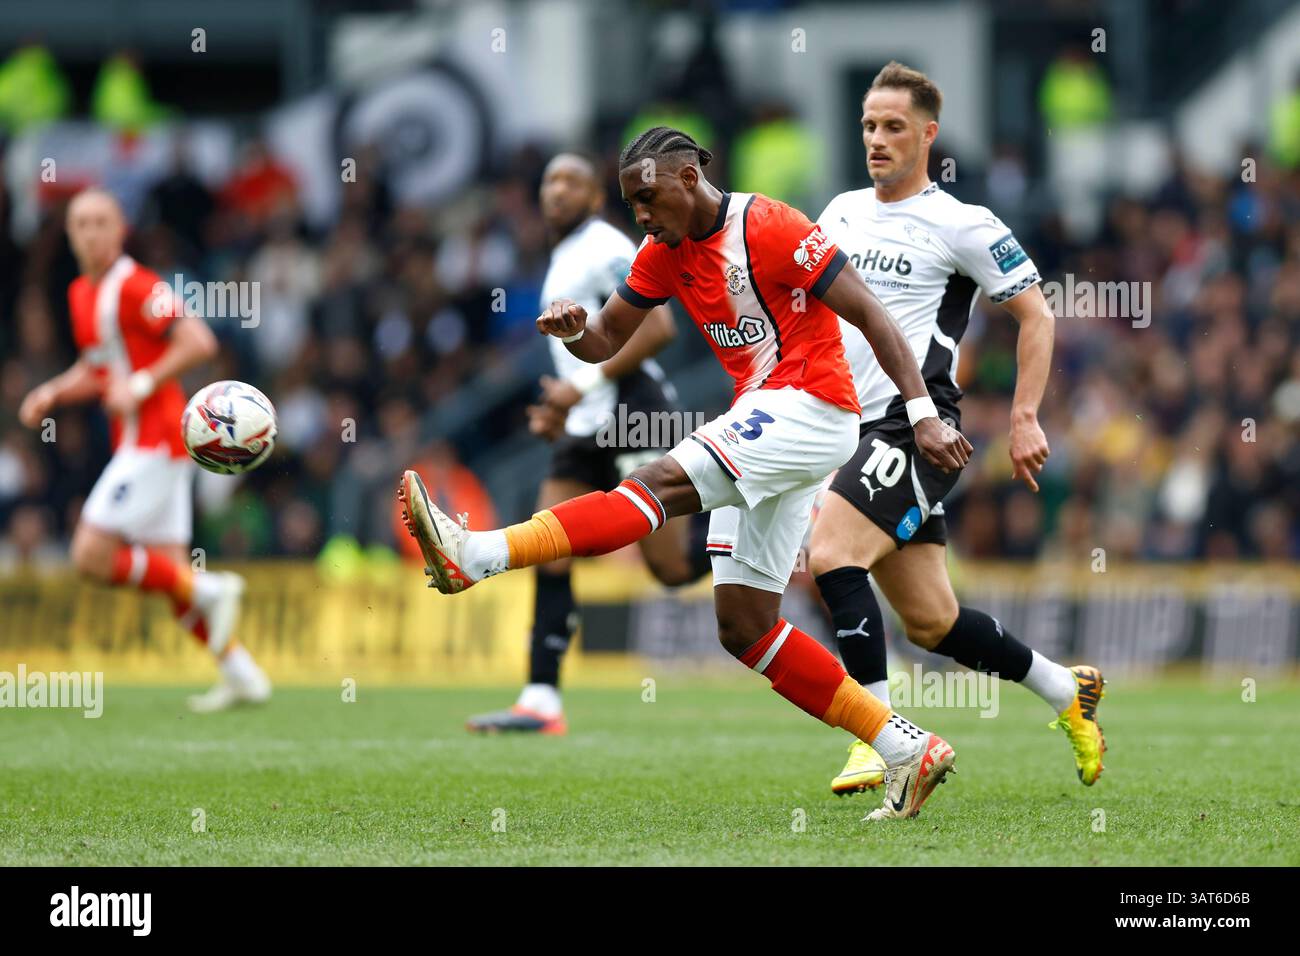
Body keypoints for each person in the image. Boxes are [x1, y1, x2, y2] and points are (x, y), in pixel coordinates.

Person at [401, 127, 973, 821]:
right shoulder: (660, 253)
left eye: (647, 198)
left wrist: (922, 414)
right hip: (769, 414)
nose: (640, 214)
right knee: (745, 627)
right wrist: (574, 328)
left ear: (688, 177)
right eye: (631, 203)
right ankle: (904, 747)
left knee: (661, 485)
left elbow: (871, 313)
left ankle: (477, 554)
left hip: (813, 404)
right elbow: (609, 339)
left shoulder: (769, 224)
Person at [804, 62, 1105, 796]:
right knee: (932, 623)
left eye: (894, 127)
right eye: (870, 126)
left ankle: (880, 736)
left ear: (929, 135)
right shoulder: (838, 211)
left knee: (831, 556)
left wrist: (1026, 414)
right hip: (844, 425)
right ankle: (1068, 690)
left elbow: (1037, 313)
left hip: (918, 428)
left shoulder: (964, 224)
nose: (877, 139)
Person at [466, 152, 709, 735]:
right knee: (548, 546)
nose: (558, 190)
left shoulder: (606, 245)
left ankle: (756, 522)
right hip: (585, 422)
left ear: (597, 198)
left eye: (573, 181)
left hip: (634, 411)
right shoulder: (563, 256)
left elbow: (657, 327)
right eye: (550, 180)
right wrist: (562, 404)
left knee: (672, 570)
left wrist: (578, 387)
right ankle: (540, 699)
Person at [17, 187, 271, 713]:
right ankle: (241, 672)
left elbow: (198, 340)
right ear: (69, 234)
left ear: (120, 229)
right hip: (141, 445)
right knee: (167, 578)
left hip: (155, 441)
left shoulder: (136, 284)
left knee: (90, 553)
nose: (90, 232)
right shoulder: (81, 293)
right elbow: (99, 368)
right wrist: (53, 392)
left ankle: (210, 588)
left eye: (100, 222)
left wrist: (142, 383)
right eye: (80, 223)